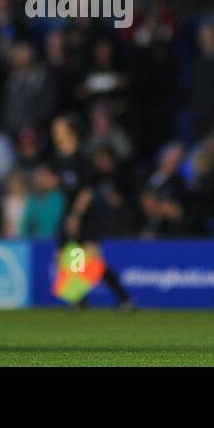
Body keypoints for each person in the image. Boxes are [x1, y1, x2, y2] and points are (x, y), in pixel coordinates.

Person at [53, 112, 135, 310]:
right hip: (69, 212)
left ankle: (125, 299)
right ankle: (80, 299)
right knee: (70, 256)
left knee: (92, 260)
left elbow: (87, 190)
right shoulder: (59, 158)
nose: (55, 132)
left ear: (71, 132)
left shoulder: (82, 158)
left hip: (85, 215)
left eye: (59, 128)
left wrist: (76, 215)